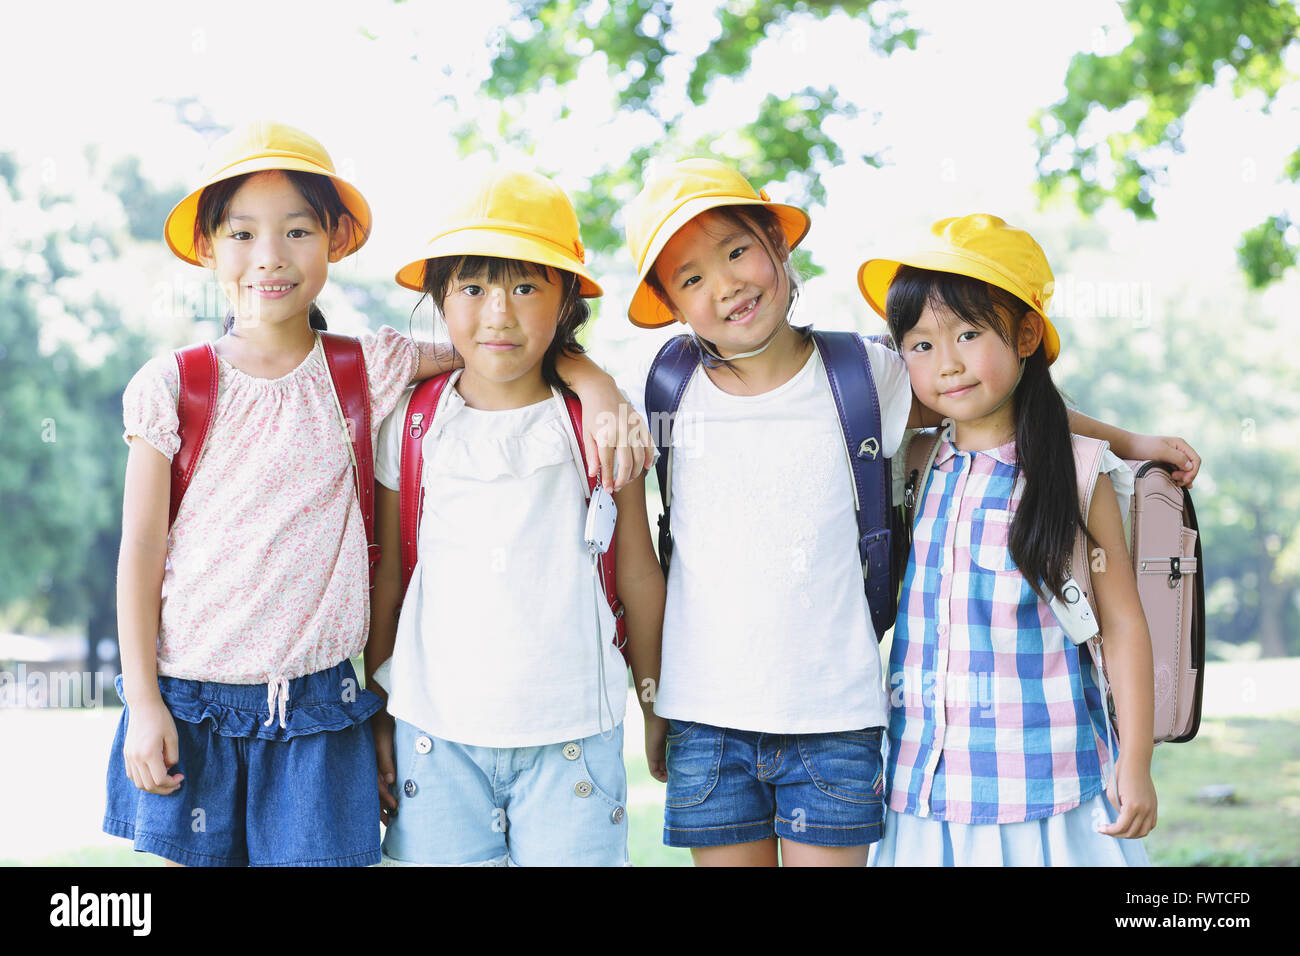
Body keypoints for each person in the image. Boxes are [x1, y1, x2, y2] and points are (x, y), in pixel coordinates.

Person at [621, 161, 1199, 867]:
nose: (726, 283)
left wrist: (1129, 443)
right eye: (691, 277)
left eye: (737, 250)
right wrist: (654, 706)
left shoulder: (866, 378)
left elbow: (1016, 407)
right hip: (768, 738)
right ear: (672, 303)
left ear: (777, 242)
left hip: (879, 731)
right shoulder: (669, 391)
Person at [104, 123, 647, 867]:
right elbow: (140, 549)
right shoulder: (173, 385)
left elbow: (494, 345)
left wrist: (597, 381)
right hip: (193, 702)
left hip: (322, 706)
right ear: (205, 245)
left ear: (332, 239)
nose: (270, 256)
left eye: (297, 230)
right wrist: (142, 702)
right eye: (242, 234)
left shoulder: (370, 370)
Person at [367, 166, 667, 867]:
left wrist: (655, 704)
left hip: (575, 740)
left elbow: (638, 575)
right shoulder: (410, 425)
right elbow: (389, 580)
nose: (498, 313)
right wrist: (379, 713)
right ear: (440, 296)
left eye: (526, 287)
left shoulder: (598, 426)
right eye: (473, 287)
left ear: (565, 303)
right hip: (432, 740)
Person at [861, 213, 1162, 865]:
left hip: (1048, 784)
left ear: (1027, 333)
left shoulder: (1078, 471)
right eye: (920, 344)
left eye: (970, 333)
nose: (948, 363)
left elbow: (1125, 626)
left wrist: (1136, 759)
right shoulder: (915, 461)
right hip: (925, 784)